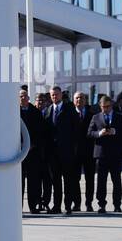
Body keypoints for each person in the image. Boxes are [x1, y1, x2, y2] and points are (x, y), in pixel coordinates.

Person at [44, 86, 81, 214]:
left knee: (68, 180)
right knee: (56, 181)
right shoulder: (47, 111)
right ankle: (57, 206)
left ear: (61, 95)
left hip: (67, 151)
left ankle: (68, 205)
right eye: (52, 95)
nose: (55, 97)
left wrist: (73, 147)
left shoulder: (69, 109)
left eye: (57, 94)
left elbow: (76, 129)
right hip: (53, 153)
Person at [89, 94, 122, 213]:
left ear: (111, 106)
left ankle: (117, 204)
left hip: (115, 154)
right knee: (101, 181)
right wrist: (99, 133)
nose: (106, 109)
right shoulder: (96, 117)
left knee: (117, 181)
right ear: (100, 106)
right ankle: (101, 204)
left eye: (108, 106)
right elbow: (89, 133)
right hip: (101, 154)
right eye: (103, 107)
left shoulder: (119, 117)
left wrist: (115, 131)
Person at [18, 88, 46, 213]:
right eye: (20, 96)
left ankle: (33, 206)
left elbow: (40, 132)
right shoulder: (13, 112)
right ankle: (18, 207)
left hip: (33, 151)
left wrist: (31, 145)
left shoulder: (36, 112)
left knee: (34, 181)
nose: (23, 98)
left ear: (28, 98)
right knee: (19, 181)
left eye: (24, 96)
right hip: (17, 153)